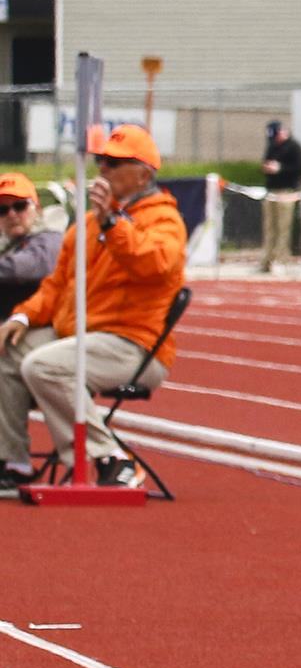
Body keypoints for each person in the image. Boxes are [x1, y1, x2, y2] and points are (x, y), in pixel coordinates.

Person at [0, 125, 185, 491]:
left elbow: (155, 264)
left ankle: (110, 458)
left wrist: (111, 224)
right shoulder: (85, 224)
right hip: (81, 333)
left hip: (132, 342)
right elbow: (56, 287)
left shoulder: (164, 220)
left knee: (44, 366)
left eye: (114, 163)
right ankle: (13, 461)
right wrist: (21, 316)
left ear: (144, 173)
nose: (102, 169)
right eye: (102, 160)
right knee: (7, 351)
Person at [0, 173, 59, 315]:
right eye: (2, 210)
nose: (12, 214)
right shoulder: (8, 244)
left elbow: (22, 268)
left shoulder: (50, 238)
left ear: (37, 208)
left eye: (20, 206)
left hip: (43, 323)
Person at [259, 119, 301, 272]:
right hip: (271, 191)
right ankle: (267, 260)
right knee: (269, 227)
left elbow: (299, 168)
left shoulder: (294, 147)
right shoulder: (272, 146)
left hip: (287, 191)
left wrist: (280, 168)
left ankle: (281, 259)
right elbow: (265, 163)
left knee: (283, 227)